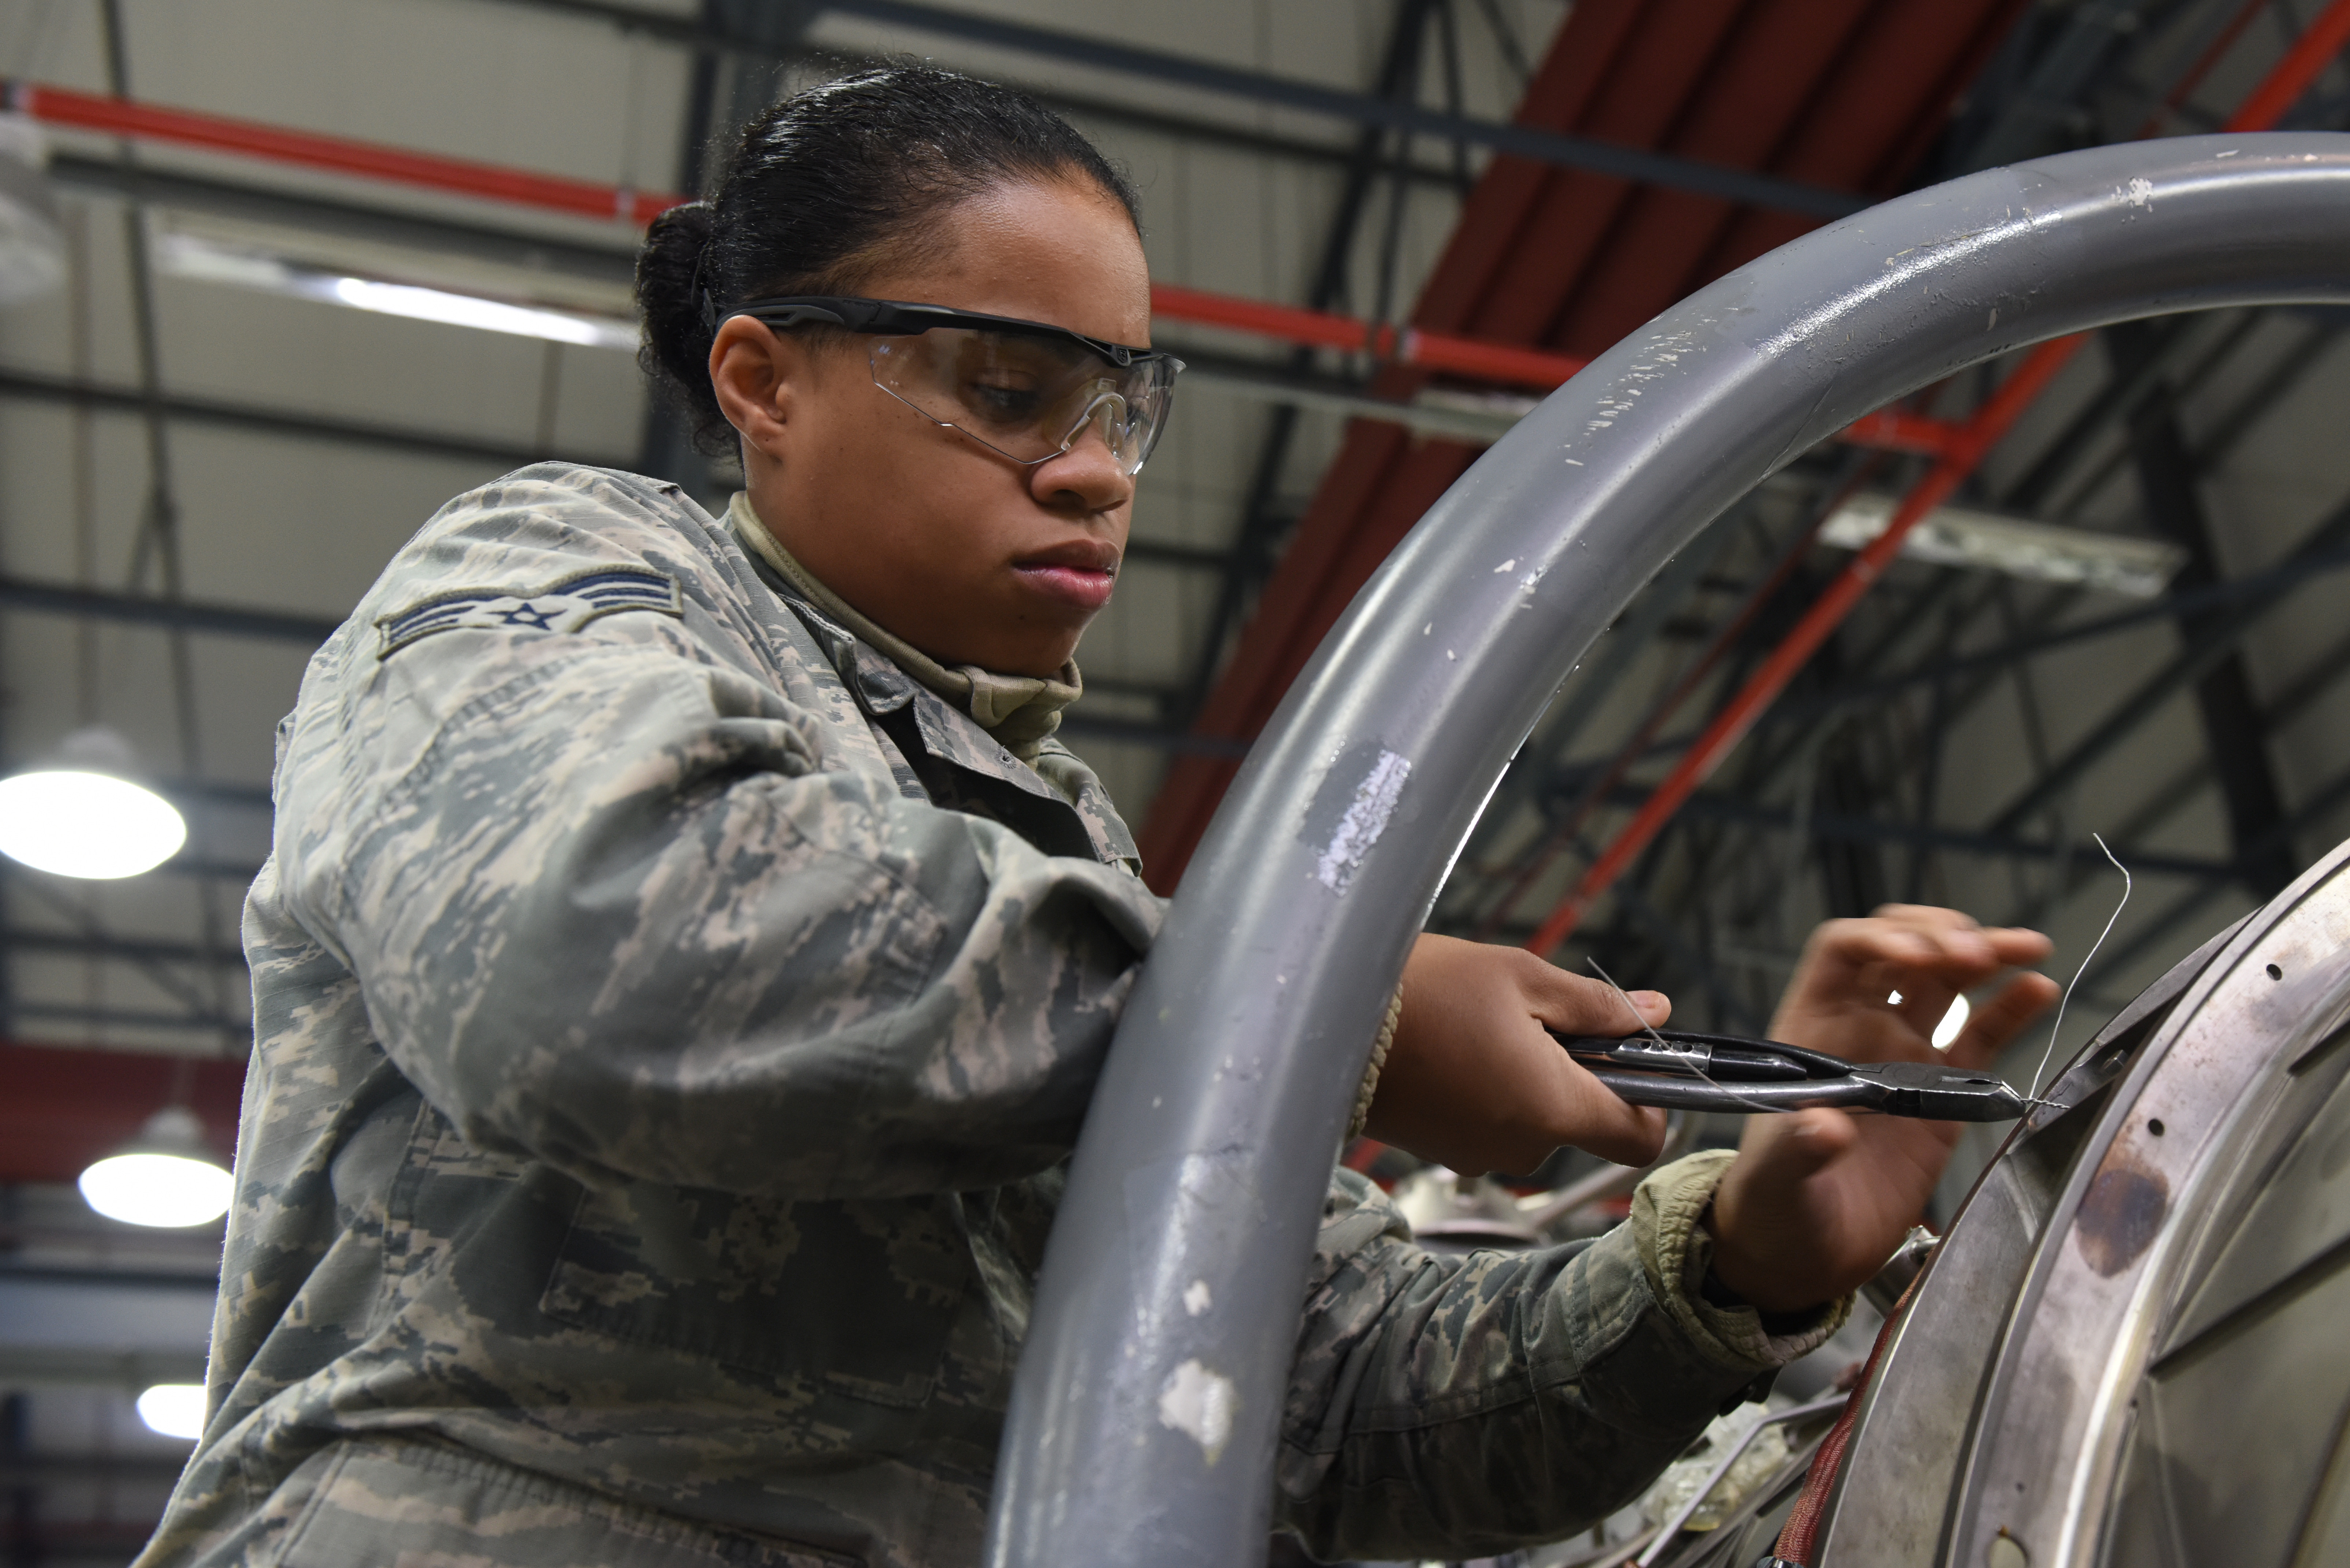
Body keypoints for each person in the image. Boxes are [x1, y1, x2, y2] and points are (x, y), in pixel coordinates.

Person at [134, 68, 2059, 1568]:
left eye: (1124, 409)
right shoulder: (565, 582)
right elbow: (590, 955)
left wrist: (1739, 1252)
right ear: (763, 378)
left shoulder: (1065, 864)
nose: (1089, 475)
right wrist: (1335, 1017)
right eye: (1004, 389)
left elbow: (1310, 1404)